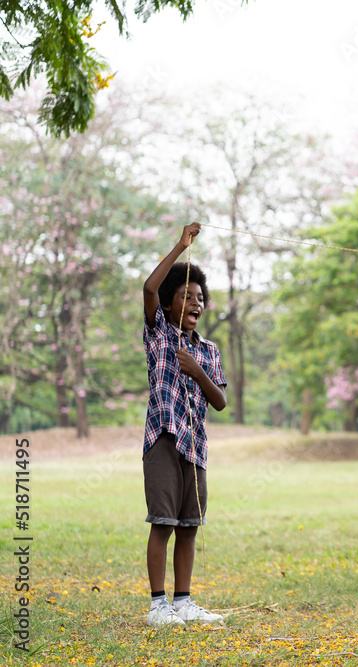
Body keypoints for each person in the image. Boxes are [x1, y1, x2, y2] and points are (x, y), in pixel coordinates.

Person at [142, 222, 227, 625]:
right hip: (163, 439)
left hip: (196, 445)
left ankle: (182, 603)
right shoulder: (158, 333)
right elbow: (147, 288)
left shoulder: (208, 350)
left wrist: (197, 371)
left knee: (189, 525)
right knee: (163, 522)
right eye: (185, 296)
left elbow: (221, 401)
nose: (195, 303)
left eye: (199, 298)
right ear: (170, 304)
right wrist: (180, 245)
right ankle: (158, 606)